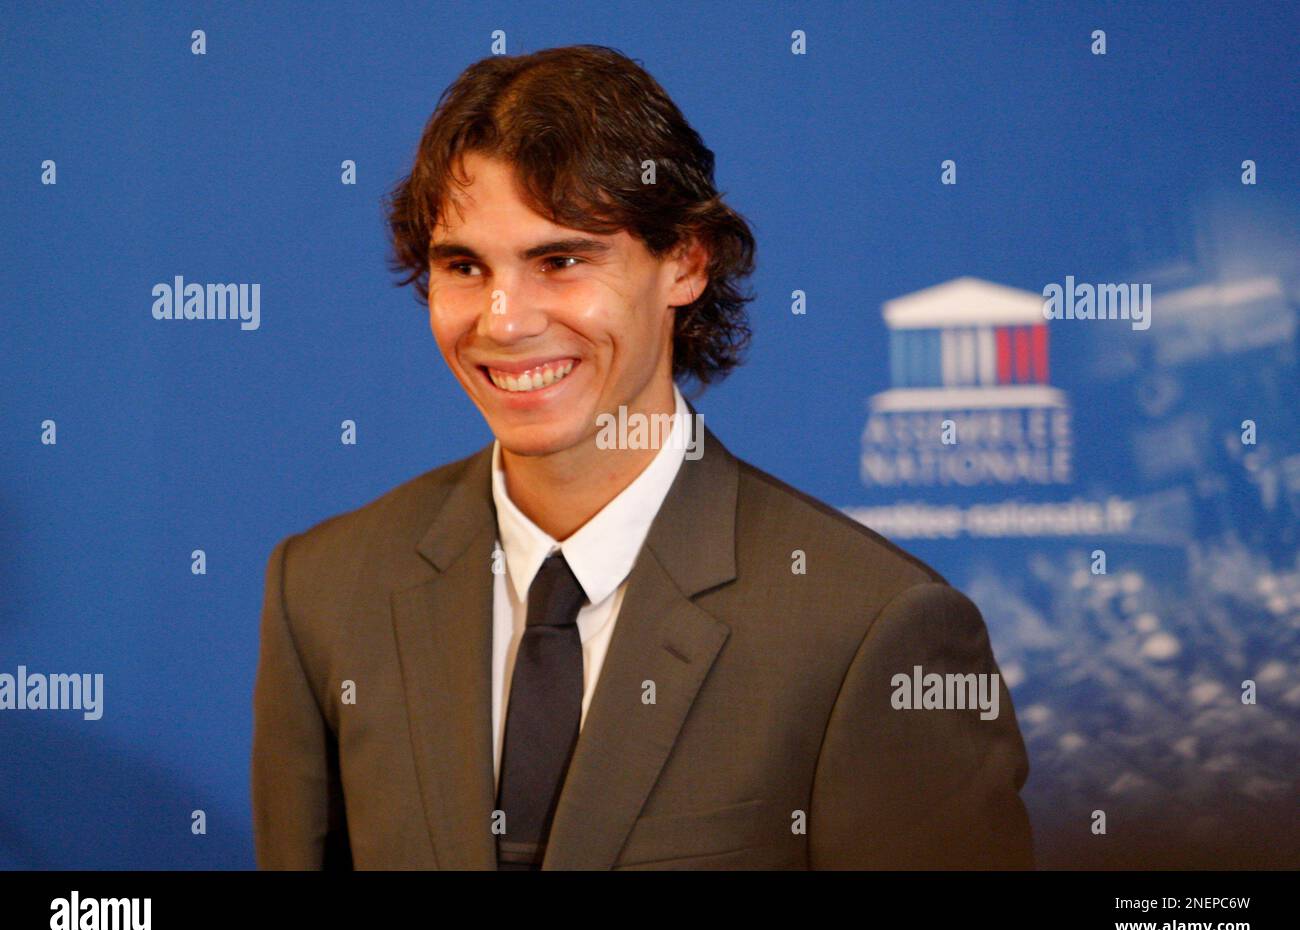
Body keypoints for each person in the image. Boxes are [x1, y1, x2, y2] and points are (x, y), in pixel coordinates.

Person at [251, 44, 1033, 870]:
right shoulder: (325, 591)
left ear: (686, 263)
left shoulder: (869, 629)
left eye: (559, 261)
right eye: (464, 267)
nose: (504, 320)